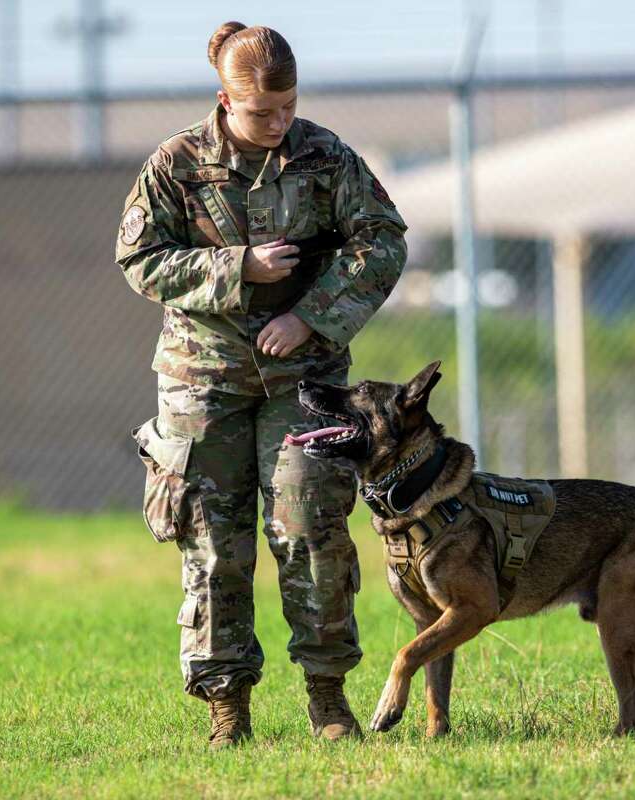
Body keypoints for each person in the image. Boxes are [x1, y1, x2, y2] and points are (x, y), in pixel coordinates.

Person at [115, 21, 408, 749]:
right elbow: (139, 258)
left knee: (311, 526)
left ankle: (328, 699)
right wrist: (234, 268)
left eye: (288, 106)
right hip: (202, 379)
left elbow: (383, 238)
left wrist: (311, 316)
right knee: (214, 545)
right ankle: (227, 709)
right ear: (224, 100)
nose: (278, 123)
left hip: (302, 382)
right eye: (261, 112)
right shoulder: (176, 164)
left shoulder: (324, 155)